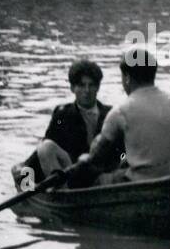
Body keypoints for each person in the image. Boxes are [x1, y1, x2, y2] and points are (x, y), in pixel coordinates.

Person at [74, 43, 170, 185]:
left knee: (95, 178)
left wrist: (85, 158)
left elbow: (96, 157)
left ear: (127, 78)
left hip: (146, 181)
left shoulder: (121, 111)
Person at [12, 58, 111, 190]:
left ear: (98, 87)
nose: (87, 91)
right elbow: (45, 147)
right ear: (72, 88)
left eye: (91, 85)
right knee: (46, 147)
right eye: (81, 85)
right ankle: (65, 195)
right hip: (72, 175)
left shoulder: (110, 113)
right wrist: (24, 169)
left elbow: (123, 151)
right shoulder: (63, 114)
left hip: (99, 176)